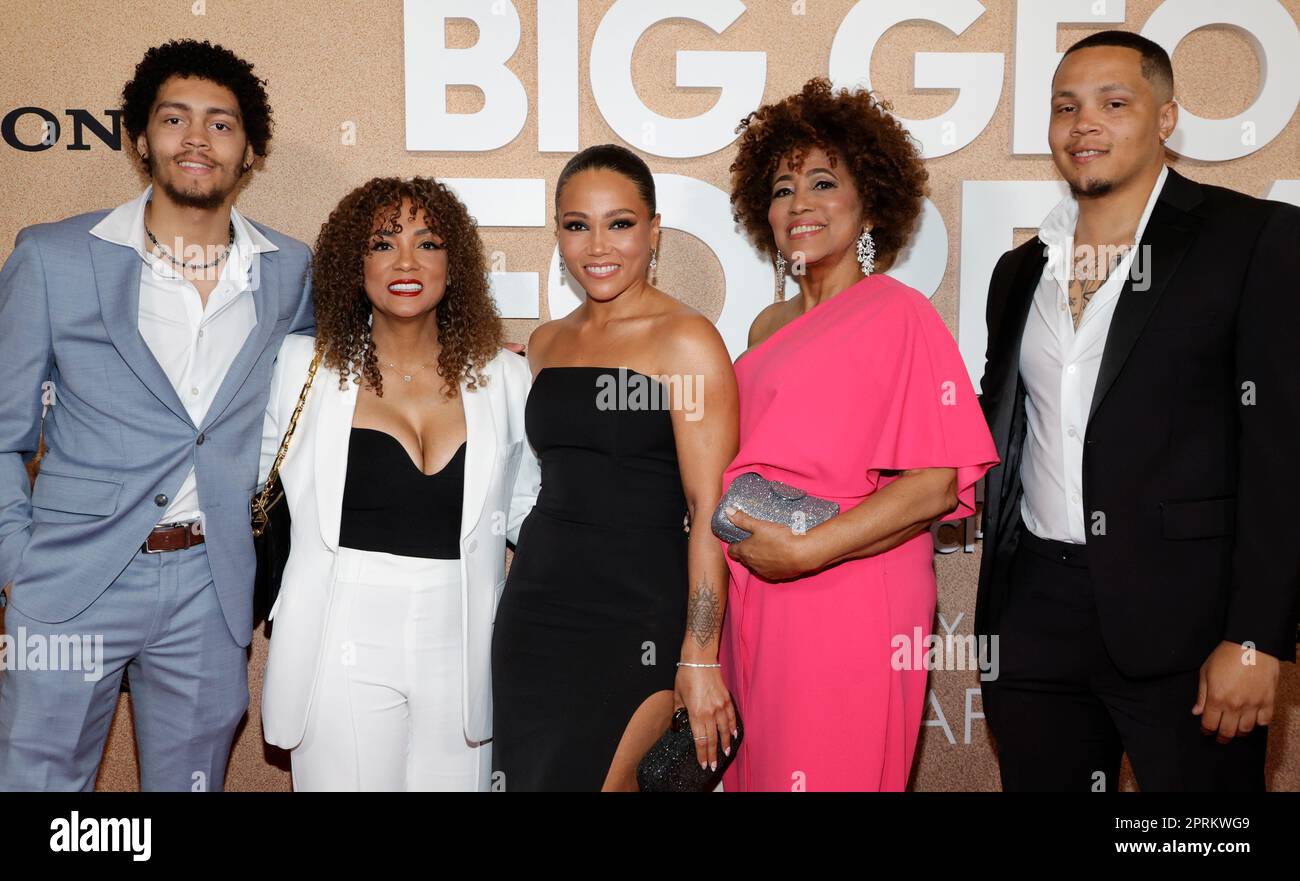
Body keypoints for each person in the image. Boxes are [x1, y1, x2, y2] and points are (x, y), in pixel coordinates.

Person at [976, 30, 1300, 791]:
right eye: (1066, 107)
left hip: (1191, 625)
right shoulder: (1019, 270)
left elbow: (1282, 454)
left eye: (1113, 103)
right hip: (1036, 618)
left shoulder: (1252, 239)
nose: (1084, 123)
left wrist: (1255, 638)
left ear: (1165, 119)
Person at [0, 39, 313, 790]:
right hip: (70, 581)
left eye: (221, 124)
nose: (197, 139)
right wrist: (18, 566)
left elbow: (318, 394)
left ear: (250, 153)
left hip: (210, 583)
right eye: (175, 119)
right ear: (141, 138)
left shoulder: (288, 270)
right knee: (43, 788)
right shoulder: (54, 257)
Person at [719, 78, 998, 791]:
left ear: (869, 201)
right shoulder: (763, 330)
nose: (800, 203)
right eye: (782, 188)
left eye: (822, 182)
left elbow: (935, 484)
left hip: (846, 591)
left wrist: (805, 551)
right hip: (756, 586)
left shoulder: (899, 315)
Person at [259, 177, 540, 791]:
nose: (406, 262)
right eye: (383, 243)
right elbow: (236, 486)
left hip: (464, 639)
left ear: (454, 264)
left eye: (428, 243)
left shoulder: (505, 377)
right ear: (351, 264)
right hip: (340, 630)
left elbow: (532, 512)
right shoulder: (299, 370)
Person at [491, 144, 739, 791]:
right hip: (537, 610)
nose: (598, 245)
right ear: (559, 235)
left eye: (620, 223)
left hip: (638, 618)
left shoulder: (687, 340)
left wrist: (700, 652)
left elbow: (712, 506)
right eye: (578, 225)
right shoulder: (545, 342)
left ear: (653, 231)